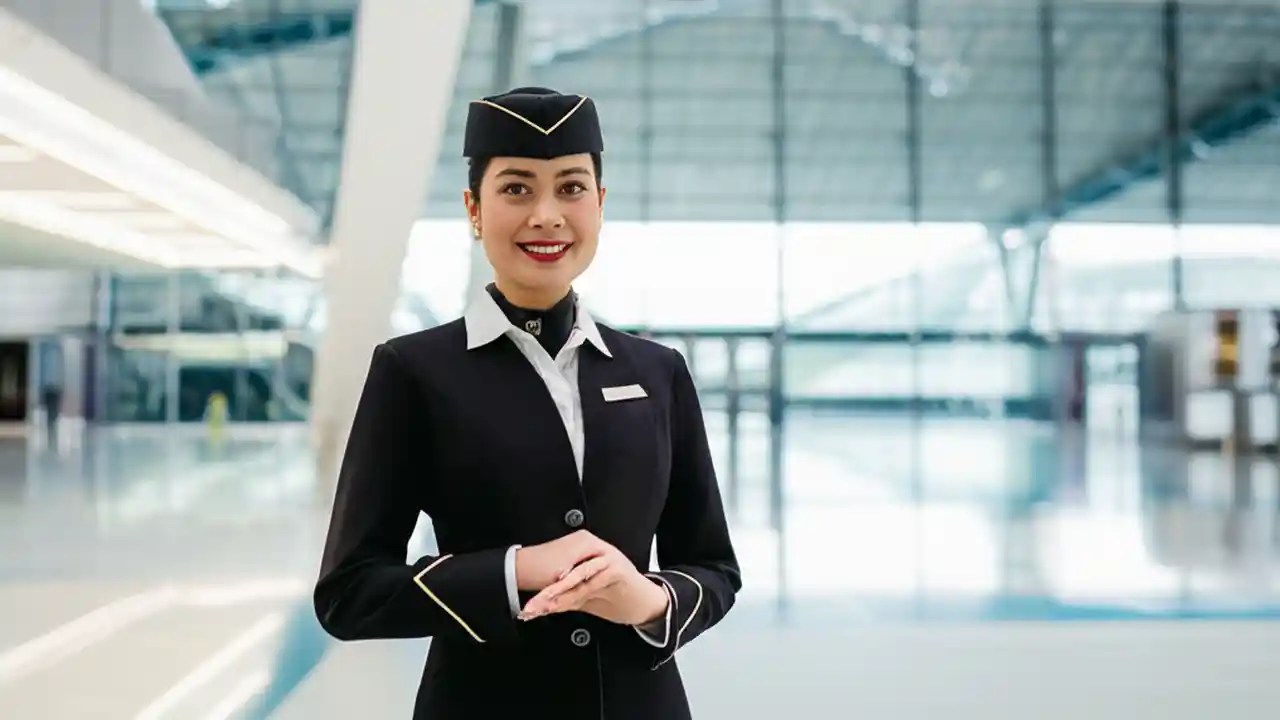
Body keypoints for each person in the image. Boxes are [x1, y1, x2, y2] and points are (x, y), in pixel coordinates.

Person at [313, 87, 741, 719]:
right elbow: (350, 594)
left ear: (600, 203)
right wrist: (518, 571)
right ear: (473, 209)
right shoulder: (414, 371)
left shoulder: (657, 372)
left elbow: (713, 567)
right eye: (516, 189)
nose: (547, 215)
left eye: (571, 188)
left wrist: (650, 603)